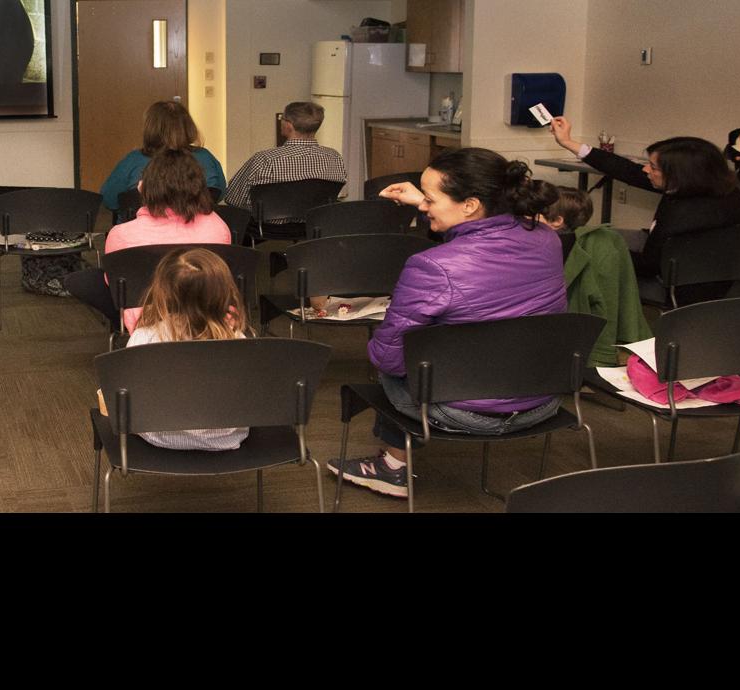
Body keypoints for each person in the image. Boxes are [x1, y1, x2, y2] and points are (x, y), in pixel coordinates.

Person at [326, 148, 565, 499]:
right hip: (543, 399)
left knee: (392, 352)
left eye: (430, 199)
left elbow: (388, 360)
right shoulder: (547, 240)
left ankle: (391, 467)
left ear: (469, 205)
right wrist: (426, 202)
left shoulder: (431, 266)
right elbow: (479, 246)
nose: (423, 206)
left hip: (465, 410)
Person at [547, 115, 740, 295]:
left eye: (652, 167)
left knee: (583, 245)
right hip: (718, 282)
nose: (645, 170)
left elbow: (648, 266)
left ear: (678, 175)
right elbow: (627, 170)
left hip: (672, 286)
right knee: (601, 239)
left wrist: (602, 253)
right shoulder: (727, 194)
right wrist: (568, 142)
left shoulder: (678, 215)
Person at [67, 148, 231, 335]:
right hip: (209, 317)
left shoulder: (123, 234)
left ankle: (121, 328)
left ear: (144, 187)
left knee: (89, 280)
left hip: (147, 322)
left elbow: (114, 283)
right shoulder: (219, 228)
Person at [102, 248, 251, 451]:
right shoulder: (239, 340)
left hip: (159, 435)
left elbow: (127, 394)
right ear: (224, 291)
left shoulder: (145, 337)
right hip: (227, 436)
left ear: (162, 291)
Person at [543, 189, 649, 368]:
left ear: (556, 221)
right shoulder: (601, 242)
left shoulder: (551, 249)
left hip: (561, 337)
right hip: (586, 336)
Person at [99, 99, 227, 215]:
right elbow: (219, 194)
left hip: (143, 238)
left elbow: (109, 200)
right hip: (198, 236)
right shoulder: (206, 157)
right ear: (188, 127)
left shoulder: (133, 160)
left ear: (150, 129)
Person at [222, 101, 345, 210]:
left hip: (266, 229)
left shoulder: (265, 159)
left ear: (288, 125)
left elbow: (233, 198)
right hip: (315, 227)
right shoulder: (334, 157)